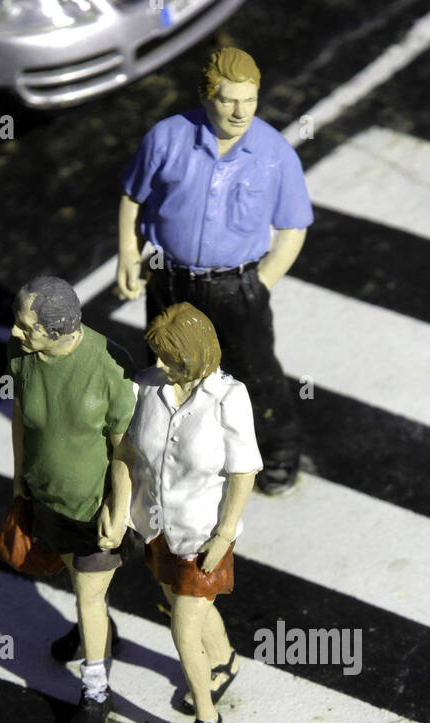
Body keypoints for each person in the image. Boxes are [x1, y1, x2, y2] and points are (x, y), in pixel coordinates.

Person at [116, 45, 312, 497]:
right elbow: (133, 197)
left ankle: (278, 457)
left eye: (250, 99)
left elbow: (293, 226)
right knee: (165, 373)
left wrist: (260, 284)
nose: (241, 111)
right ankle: (168, 455)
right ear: (207, 97)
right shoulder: (166, 139)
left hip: (235, 285)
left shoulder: (274, 153)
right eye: (228, 100)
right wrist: (129, 251)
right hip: (170, 279)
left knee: (255, 375)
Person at [117, 302, 262, 723]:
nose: (159, 365)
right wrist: (118, 508)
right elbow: (126, 449)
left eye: (169, 357)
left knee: (182, 625)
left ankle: (208, 721)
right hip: (157, 525)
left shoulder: (227, 397)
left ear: (195, 354)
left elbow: (244, 471)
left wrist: (223, 534)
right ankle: (224, 662)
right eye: (157, 354)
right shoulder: (145, 387)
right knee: (185, 606)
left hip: (204, 534)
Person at [8, 275, 136, 723]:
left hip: (94, 508)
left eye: (27, 327)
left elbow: (126, 451)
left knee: (87, 592)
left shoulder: (110, 366)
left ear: (59, 332)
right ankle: (98, 629)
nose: (17, 333)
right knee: (79, 584)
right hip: (48, 496)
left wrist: (117, 510)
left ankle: (96, 691)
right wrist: (20, 475)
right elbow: (22, 417)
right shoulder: (20, 354)